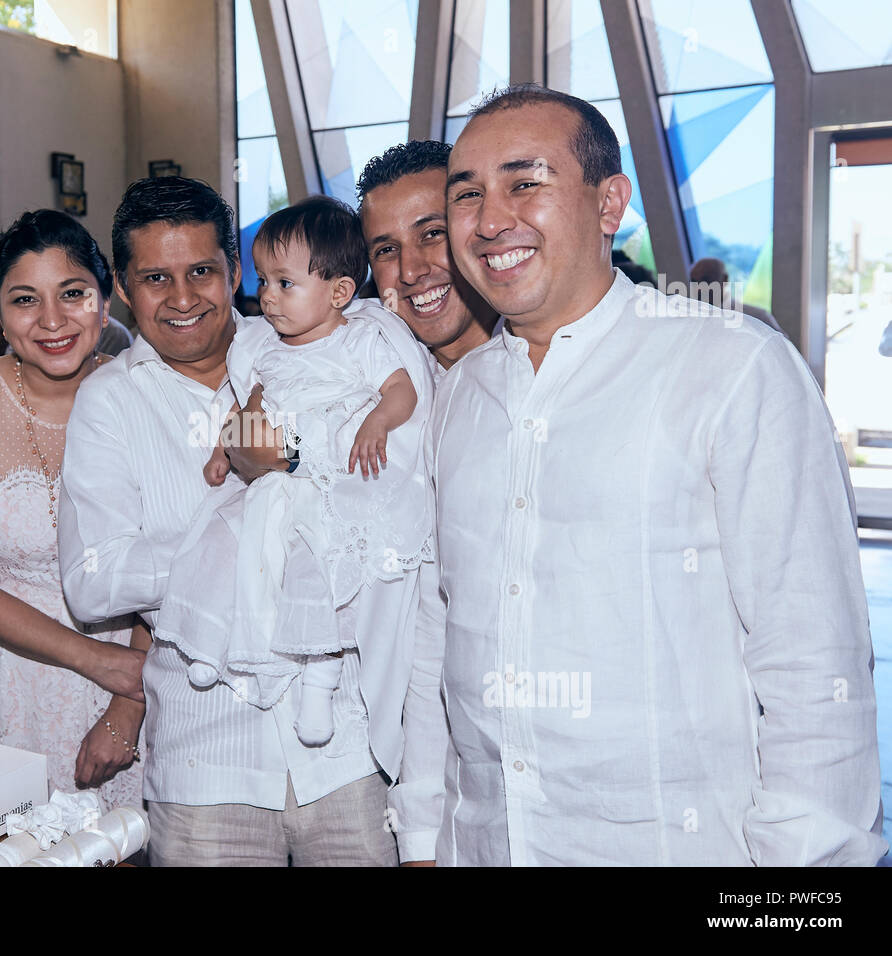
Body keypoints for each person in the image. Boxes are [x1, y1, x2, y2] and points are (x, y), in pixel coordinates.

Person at [431, 84, 887, 865]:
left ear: (609, 204)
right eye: (467, 196)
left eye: (525, 183)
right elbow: (447, 641)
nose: (491, 218)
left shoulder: (732, 370)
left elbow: (812, 661)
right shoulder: (461, 397)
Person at [58, 176, 446, 866]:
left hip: (348, 749)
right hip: (208, 763)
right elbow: (94, 584)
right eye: (156, 278)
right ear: (122, 287)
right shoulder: (109, 402)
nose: (182, 298)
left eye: (202, 272)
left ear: (235, 273)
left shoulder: (341, 344)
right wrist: (244, 541)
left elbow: (404, 504)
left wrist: (291, 460)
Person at [157, 196, 432, 750]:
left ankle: (319, 683)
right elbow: (242, 408)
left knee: (312, 576)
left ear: (338, 292)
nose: (268, 297)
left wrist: (377, 421)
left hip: (324, 490)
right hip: (272, 488)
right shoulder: (268, 350)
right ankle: (214, 643)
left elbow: (404, 391)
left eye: (285, 283)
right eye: (263, 282)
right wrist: (222, 449)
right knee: (227, 548)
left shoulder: (361, 339)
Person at [0, 209, 148, 806]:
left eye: (73, 294)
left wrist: (127, 696)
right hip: (6, 680)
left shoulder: (147, 395)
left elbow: (187, 559)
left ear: (106, 300)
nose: (52, 320)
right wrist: (97, 660)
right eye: (25, 300)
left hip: (141, 672)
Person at [357, 141, 498, 380]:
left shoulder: (560, 363)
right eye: (387, 250)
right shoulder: (364, 387)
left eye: (433, 234)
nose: (410, 272)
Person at [689, 257, 783, 333]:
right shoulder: (689, 317)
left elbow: (783, 351)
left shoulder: (757, 317)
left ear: (725, 279)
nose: (699, 288)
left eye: (706, 281)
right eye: (694, 281)